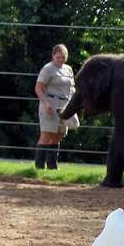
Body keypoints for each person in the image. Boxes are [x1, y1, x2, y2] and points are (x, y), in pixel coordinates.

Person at [34, 43, 80, 171]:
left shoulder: (68, 69)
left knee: (59, 134)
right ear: (53, 55)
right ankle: (39, 167)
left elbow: (72, 88)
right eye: (58, 57)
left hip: (65, 105)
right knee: (46, 134)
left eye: (63, 57)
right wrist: (46, 103)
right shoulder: (48, 68)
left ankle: (52, 167)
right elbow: (38, 88)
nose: (61, 60)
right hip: (50, 103)